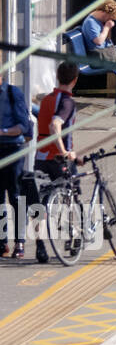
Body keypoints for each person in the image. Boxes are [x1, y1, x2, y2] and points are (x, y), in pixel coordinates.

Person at [25, 62, 83, 262]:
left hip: (40, 158)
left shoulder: (47, 99)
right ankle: (72, 237)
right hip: (58, 160)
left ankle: (40, 246)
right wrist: (64, 151)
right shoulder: (67, 102)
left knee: (39, 203)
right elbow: (54, 125)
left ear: (58, 77)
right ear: (74, 80)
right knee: (71, 195)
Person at [0, 73, 33, 257]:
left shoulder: (13, 93)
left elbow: (23, 125)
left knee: (15, 196)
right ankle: (1, 243)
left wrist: (3, 132)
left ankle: (19, 242)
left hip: (13, 150)